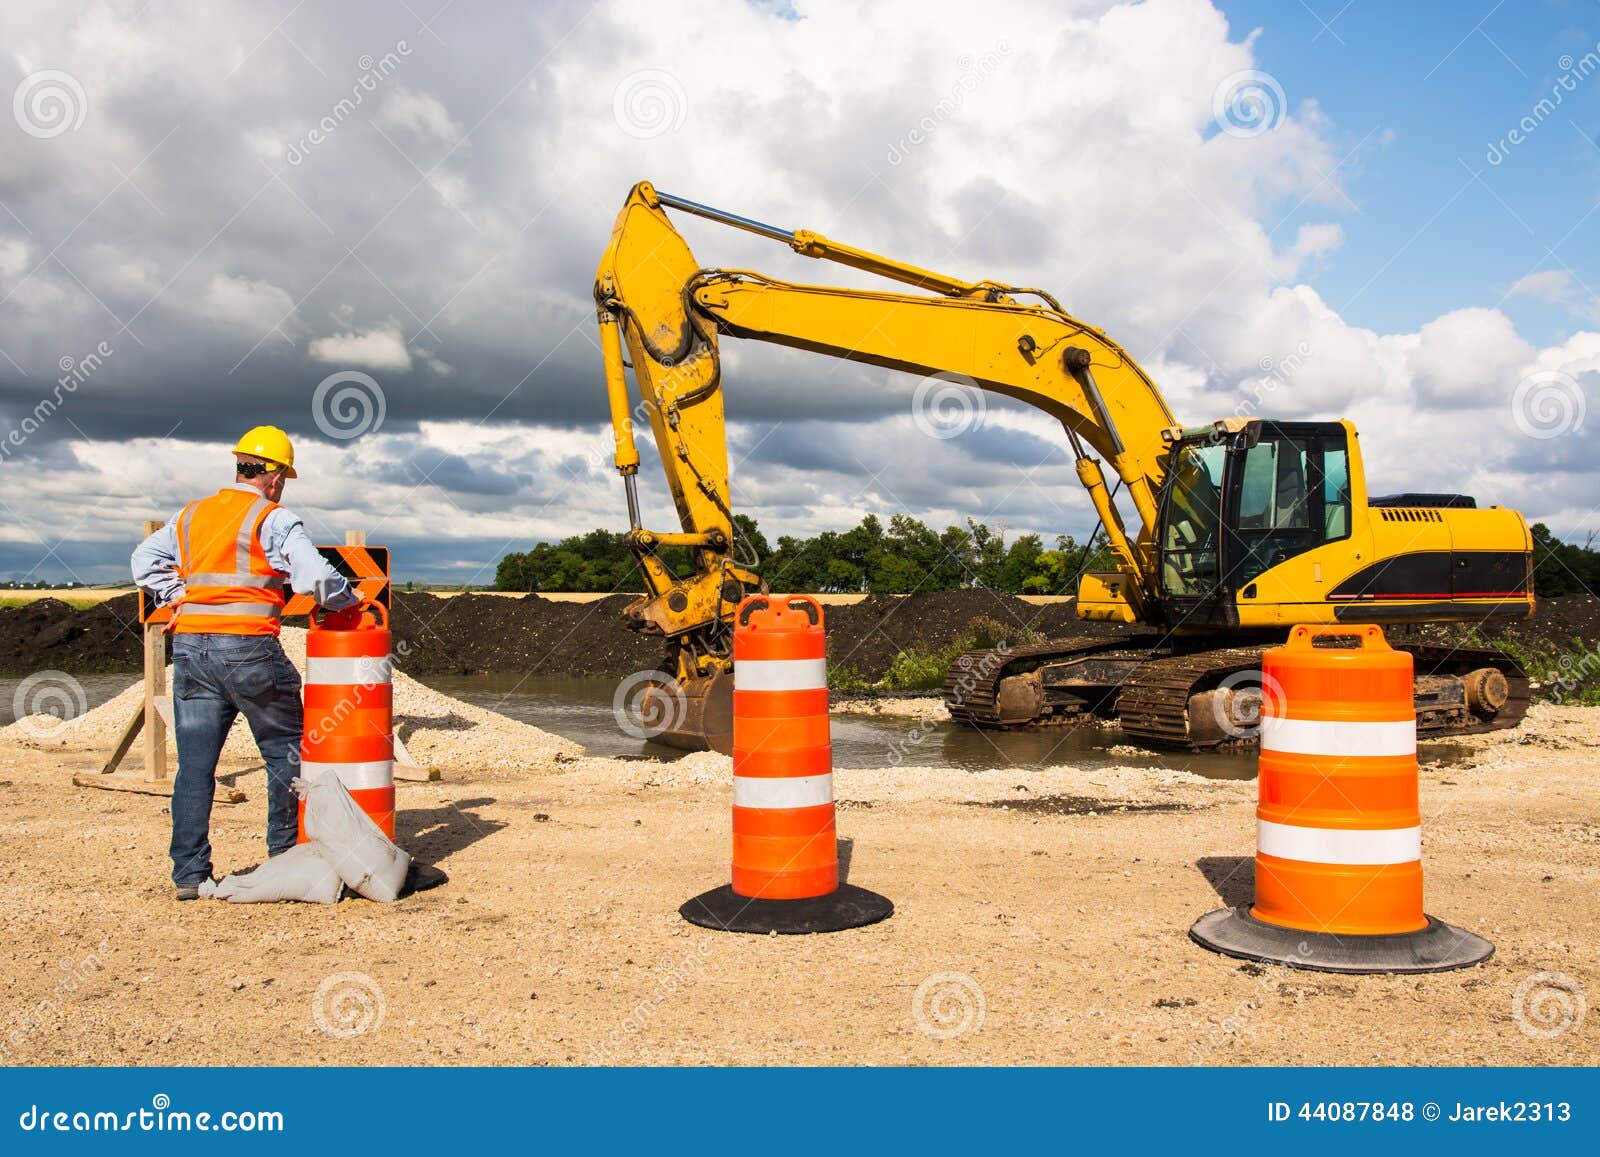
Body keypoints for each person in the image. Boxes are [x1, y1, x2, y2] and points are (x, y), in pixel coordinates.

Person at [131, 426, 361, 900]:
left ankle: (190, 876)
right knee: (286, 754)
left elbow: (143, 560)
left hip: (192, 650)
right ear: (274, 476)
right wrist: (346, 598)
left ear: (240, 466)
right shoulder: (273, 518)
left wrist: (176, 597)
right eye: (285, 478)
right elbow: (315, 579)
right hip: (249, 649)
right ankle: (284, 858)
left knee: (194, 767)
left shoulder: (191, 515)